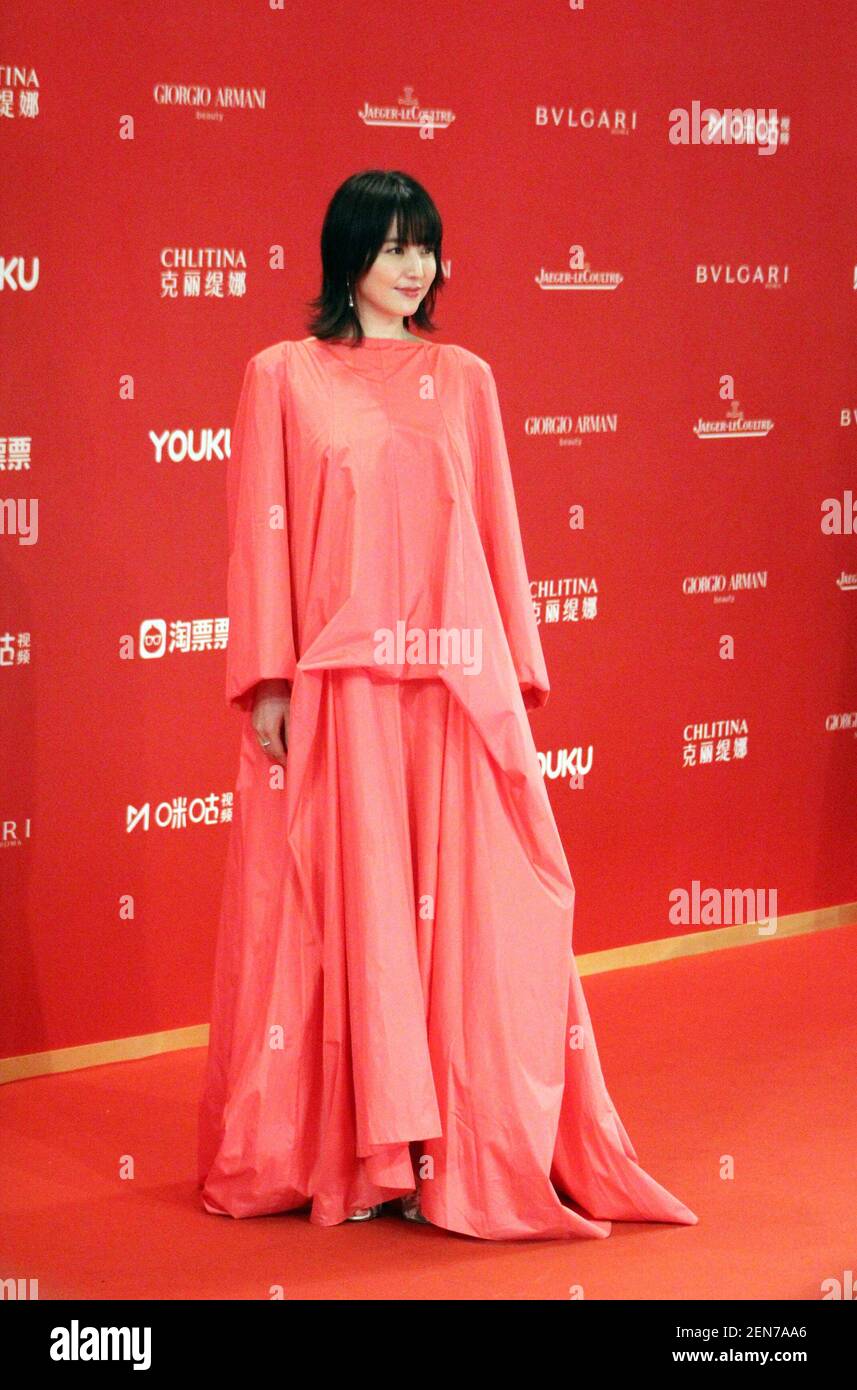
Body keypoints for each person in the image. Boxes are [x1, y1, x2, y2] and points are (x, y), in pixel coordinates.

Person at [197, 169, 698, 1240]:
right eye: (388, 247)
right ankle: (369, 1151)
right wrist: (271, 680)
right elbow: (264, 536)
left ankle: (460, 1145)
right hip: (346, 690)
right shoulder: (282, 376)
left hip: (456, 688)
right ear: (346, 258)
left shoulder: (465, 376)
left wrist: (512, 673)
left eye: (423, 245)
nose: (411, 265)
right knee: (357, 918)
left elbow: (497, 533)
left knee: (484, 910)